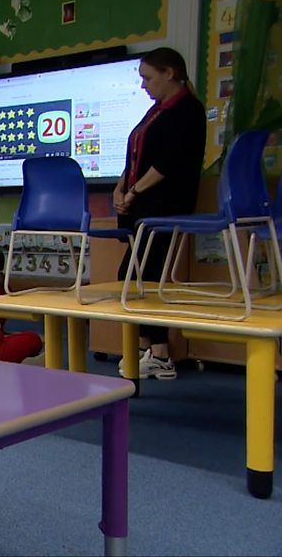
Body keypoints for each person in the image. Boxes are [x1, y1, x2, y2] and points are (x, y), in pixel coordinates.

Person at [114, 47, 206, 381]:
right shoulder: (155, 111)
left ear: (169, 73)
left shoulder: (187, 111)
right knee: (137, 276)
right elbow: (135, 153)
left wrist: (134, 191)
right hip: (142, 205)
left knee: (142, 277)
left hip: (165, 204)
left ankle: (161, 354)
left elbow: (167, 163)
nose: (143, 85)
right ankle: (145, 349)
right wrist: (120, 188)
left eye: (148, 78)